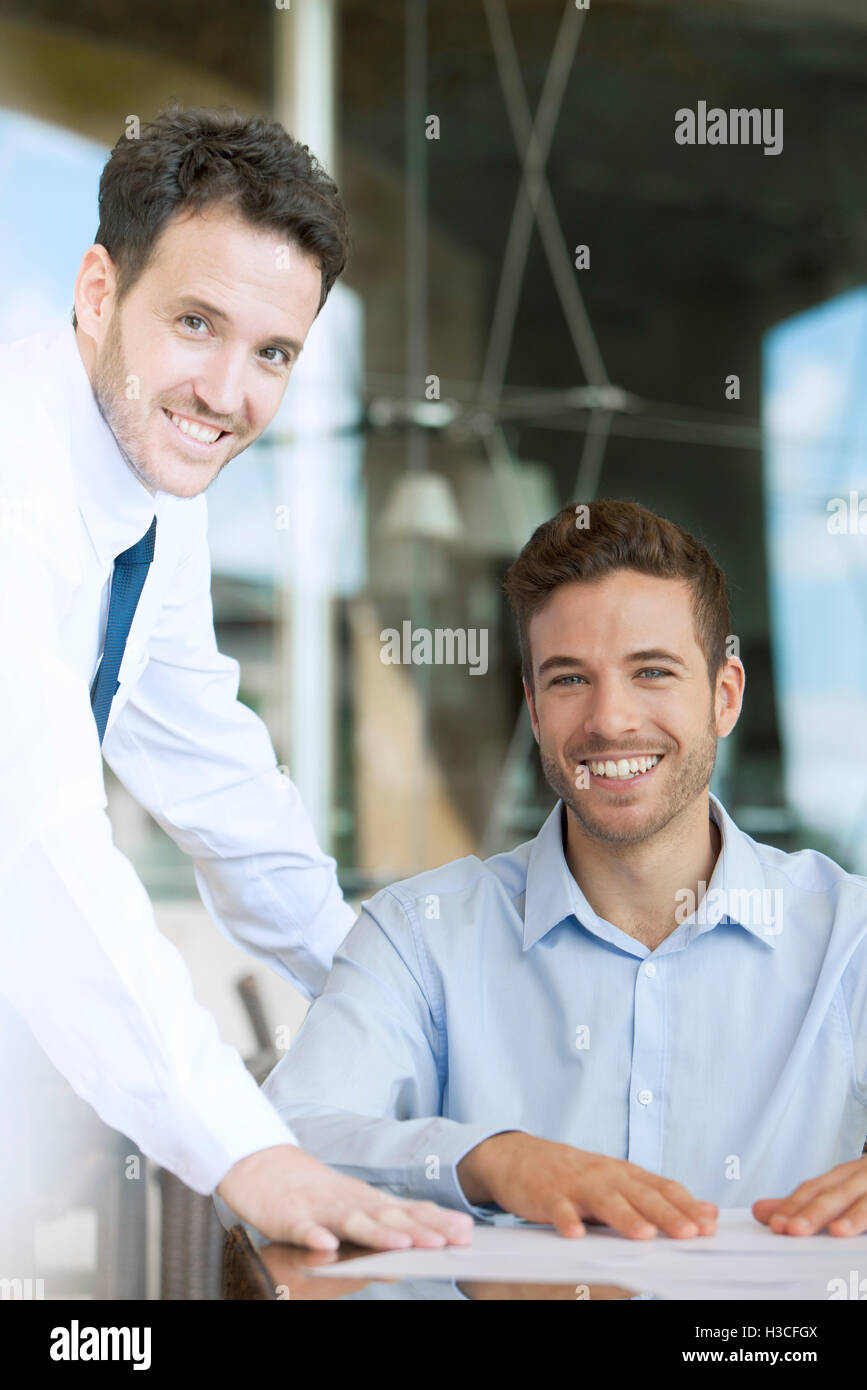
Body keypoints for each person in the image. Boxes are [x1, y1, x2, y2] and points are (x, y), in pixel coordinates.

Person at [0, 105, 472, 1256]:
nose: (227, 392)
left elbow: (213, 769)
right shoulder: (20, 479)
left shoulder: (150, 479)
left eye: (273, 354)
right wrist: (245, 1149)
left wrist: (404, 998)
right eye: (196, 323)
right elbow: (35, 841)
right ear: (101, 292)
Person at [248, 499, 867, 1241]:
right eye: (570, 679)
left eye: (651, 671)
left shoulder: (845, 936)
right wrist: (487, 1160)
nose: (610, 719)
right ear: (535, 711)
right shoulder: (420, 937)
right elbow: (275, 1147)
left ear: (723, 696)